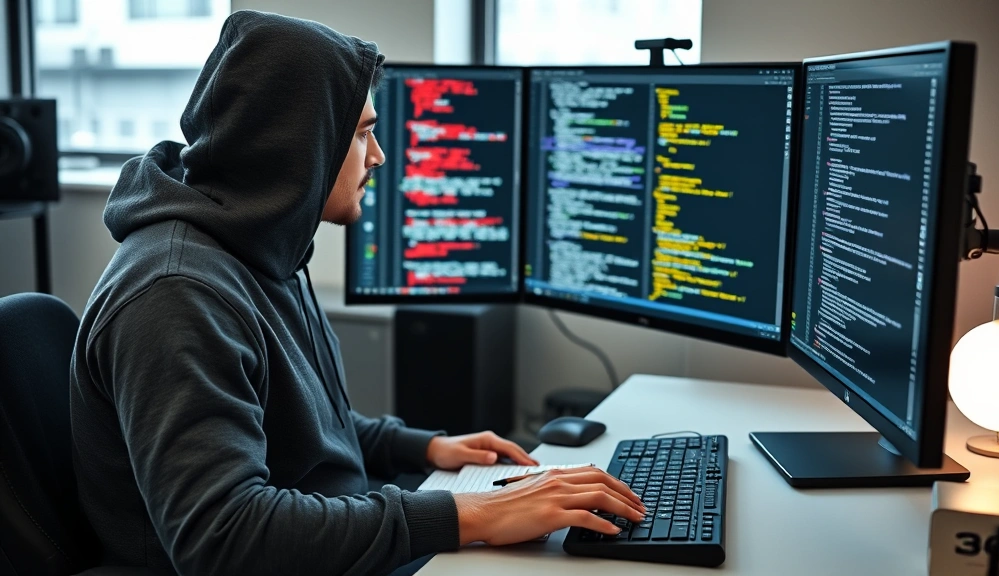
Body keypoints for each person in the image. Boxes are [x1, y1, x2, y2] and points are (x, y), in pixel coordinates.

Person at [70, 10, 644, 576]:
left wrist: (421, 448)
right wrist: (472, 513)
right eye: (365, 133)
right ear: (300, 145)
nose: (380, 157)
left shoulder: (259, 245)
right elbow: (223, 539)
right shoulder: (177, 294)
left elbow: (298, 431)